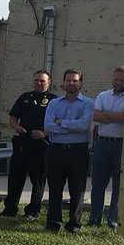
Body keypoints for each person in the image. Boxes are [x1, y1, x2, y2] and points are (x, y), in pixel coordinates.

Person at [44, 69, 94, 233]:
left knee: (77, 189)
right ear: (63, 83)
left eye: (75, 80)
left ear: (80, 83)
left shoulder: (88, 103)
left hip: (78, 152)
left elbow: (84, 126)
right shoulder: (54, 103)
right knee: (55, 188)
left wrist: (61, 123)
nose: (71, 83)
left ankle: (74, 224)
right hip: (56, 150)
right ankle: (54, 222)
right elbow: (48, 126)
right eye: (68, 80)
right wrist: (71, 125)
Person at [1, 70, 56, 219]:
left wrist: (44, 133)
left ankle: (33, 211)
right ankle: (10, 209)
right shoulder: (25, 97)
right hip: (22, 144)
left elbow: (58, 122)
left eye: (42, 81)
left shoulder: (54, 100)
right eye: (36, 80)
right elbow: (13, 117)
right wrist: (16, 126)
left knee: (38, 181)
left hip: (41, 145)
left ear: (48, 83)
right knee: (15, 178)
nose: (39, 83)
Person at [90, 66, 124, 229]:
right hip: (102, 143)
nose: (118, 82)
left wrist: (107, 115)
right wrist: (118, 117)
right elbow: (96, 116)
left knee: (118, 185)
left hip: (121, 144)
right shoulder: (102, 95)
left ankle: (112, 220)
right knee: (98, 183)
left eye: (122, 80)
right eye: (116, 79)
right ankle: (94, 219)